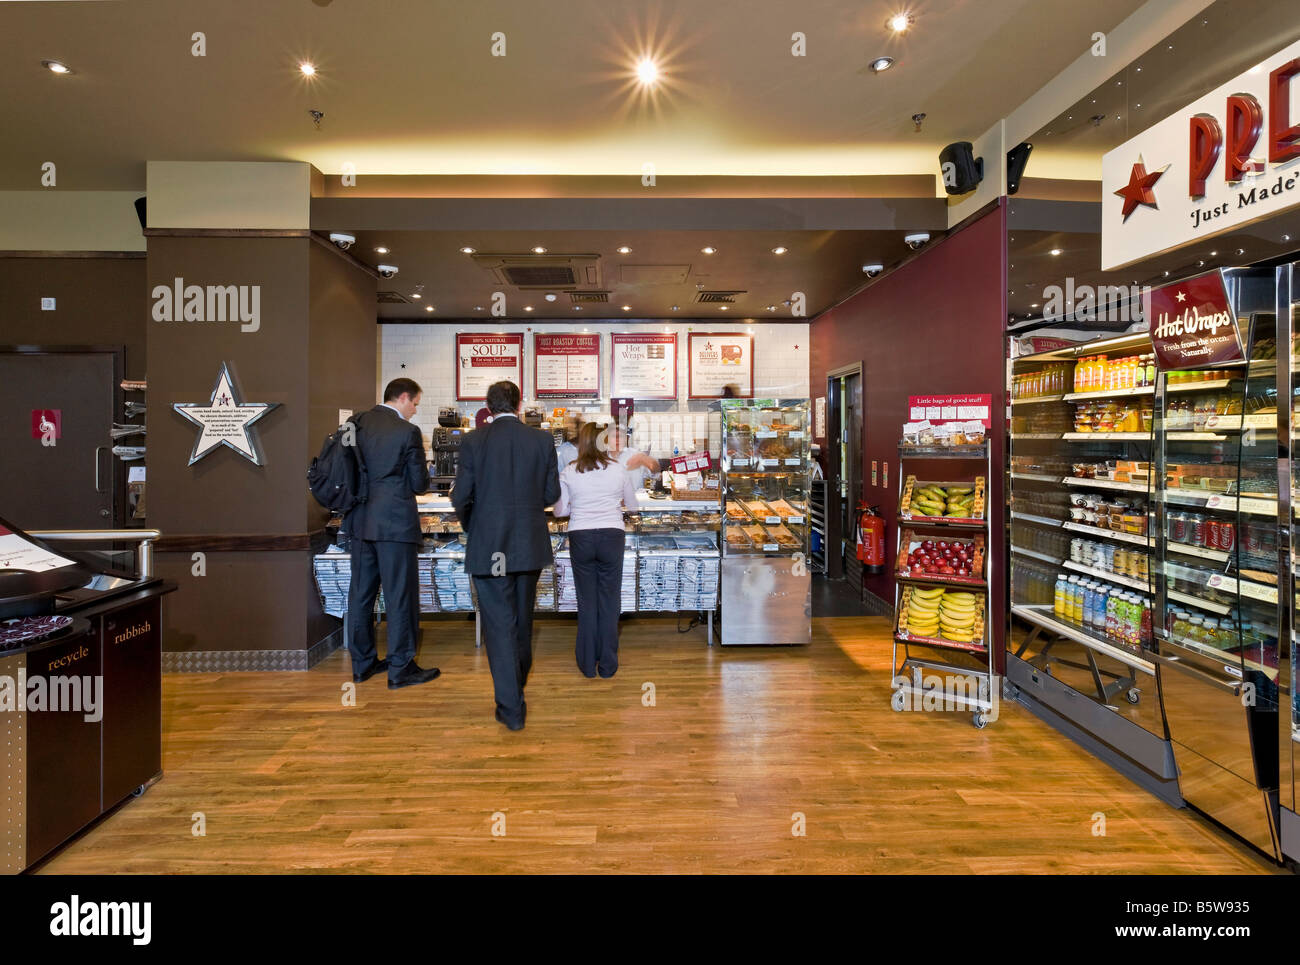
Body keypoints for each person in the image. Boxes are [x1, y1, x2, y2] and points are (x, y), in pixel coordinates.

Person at [452, 380, 560, 730]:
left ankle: (511, 708)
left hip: (489, 545)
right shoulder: (542, 440)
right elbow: (551, 493)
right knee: (522, 620)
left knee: (499, 625)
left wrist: (476, 525)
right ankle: (517, 680)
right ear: (519, 405)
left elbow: (460, 496)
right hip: (528, 542)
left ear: (487, 406)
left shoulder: (472, 441)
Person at [345, 378, 441, 690]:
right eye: (414, 403)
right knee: (399, 596)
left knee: (360, 594)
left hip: (360, 520)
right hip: (395, 524)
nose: (414, 410)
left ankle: (362, 665)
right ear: (402, 398)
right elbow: (418, 484)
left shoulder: (356, 423)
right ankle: (400, 668)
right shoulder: (406, 431)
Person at [555, 422, 640, 678]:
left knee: (587, 601)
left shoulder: (570, 470)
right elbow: (633, 508)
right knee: (609, 601)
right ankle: (607, 665)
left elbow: (560, 511)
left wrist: (578, 505)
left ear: (581, 443)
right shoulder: (618, 470)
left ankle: (586, 664)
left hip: (580, 536)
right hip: (611, 535)